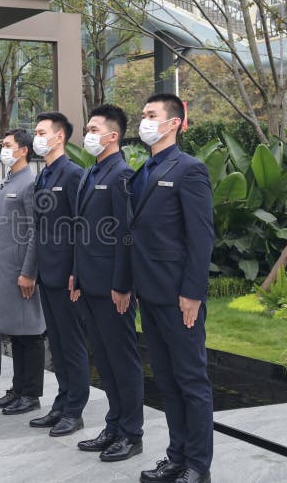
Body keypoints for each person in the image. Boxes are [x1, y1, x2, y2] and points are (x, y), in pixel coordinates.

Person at [124, 94, 214, 483]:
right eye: (143, 115)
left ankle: (198, 466)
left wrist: (192, 292)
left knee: (191, 381)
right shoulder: (144, 170)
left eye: (151, 115)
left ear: (174, 123)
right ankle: (176, 457)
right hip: (150, 293)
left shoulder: (189, 169)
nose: (143, 121)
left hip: (179, 297)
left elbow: (201, 236)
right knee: (166, 379)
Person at [71, 104, 144, 463]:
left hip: (113, 289)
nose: (88, 134)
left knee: (122, 360)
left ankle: (131, 433)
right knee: (104, 358)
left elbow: (126, 234)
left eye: (94, 129)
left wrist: (123, 284)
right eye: (88, 128)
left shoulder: (122, 175)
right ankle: (114, 426)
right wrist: (76, 274)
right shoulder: (91, 173)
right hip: (89, 283)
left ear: (113, 136)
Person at [27, 112, 89, 436]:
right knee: (58, 344)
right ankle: (62, 403)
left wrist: (77, 273)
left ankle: (75, 410)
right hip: (47, 274)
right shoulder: (44, 175)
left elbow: (82, 227)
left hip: (66, 277)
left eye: (41, 132)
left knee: (72, 344)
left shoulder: (73, 174)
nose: (36, 137)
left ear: (59, 136)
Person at [0, 129, 45, 415]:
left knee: (29, 332)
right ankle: (17, 389)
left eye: (8, 145)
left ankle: (30, 394)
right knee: (15, 333)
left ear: (23, 151)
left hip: (21, 271)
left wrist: (29, 271)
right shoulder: (6, 182)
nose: (3, 150)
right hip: (3, 269)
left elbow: (35, 231)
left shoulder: (29, 183)